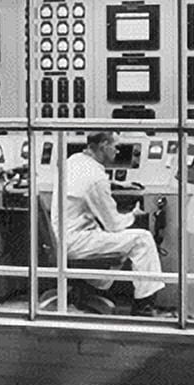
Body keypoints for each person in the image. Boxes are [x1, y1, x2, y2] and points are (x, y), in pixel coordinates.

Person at [53, 132, 169, 317]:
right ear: (103, 145)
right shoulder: (96, 179)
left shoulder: (74, 161)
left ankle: (90, 289)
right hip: (75, 242)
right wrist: (134, 215)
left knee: (118, 241)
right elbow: (113, 224)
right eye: (115, 146)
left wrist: (114, 184)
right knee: (142, 239)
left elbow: (90, 184)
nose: (117, 151)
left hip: (61, 238)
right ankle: (144, 306)